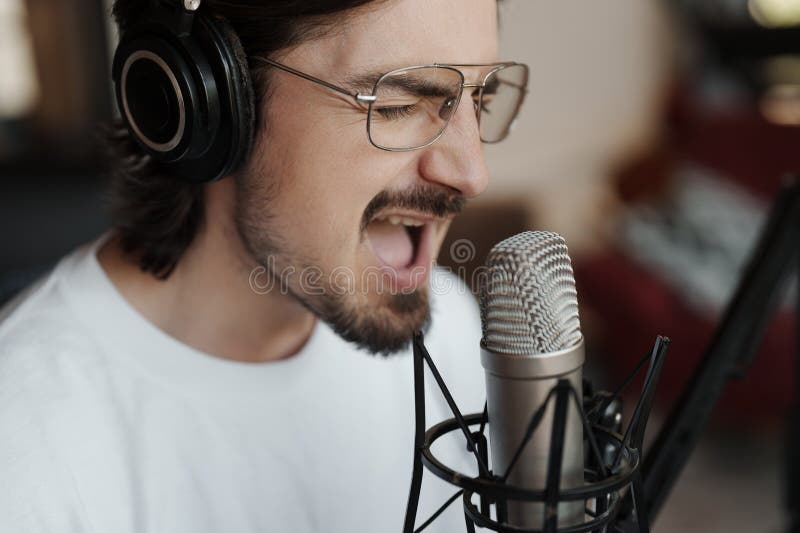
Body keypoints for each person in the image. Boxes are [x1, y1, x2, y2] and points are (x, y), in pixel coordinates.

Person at [0, 0, 528, 531]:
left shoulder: (454, 327)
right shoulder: (24, 448)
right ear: (209, 101)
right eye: (398, 103)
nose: (471, 173)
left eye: (479, 101)